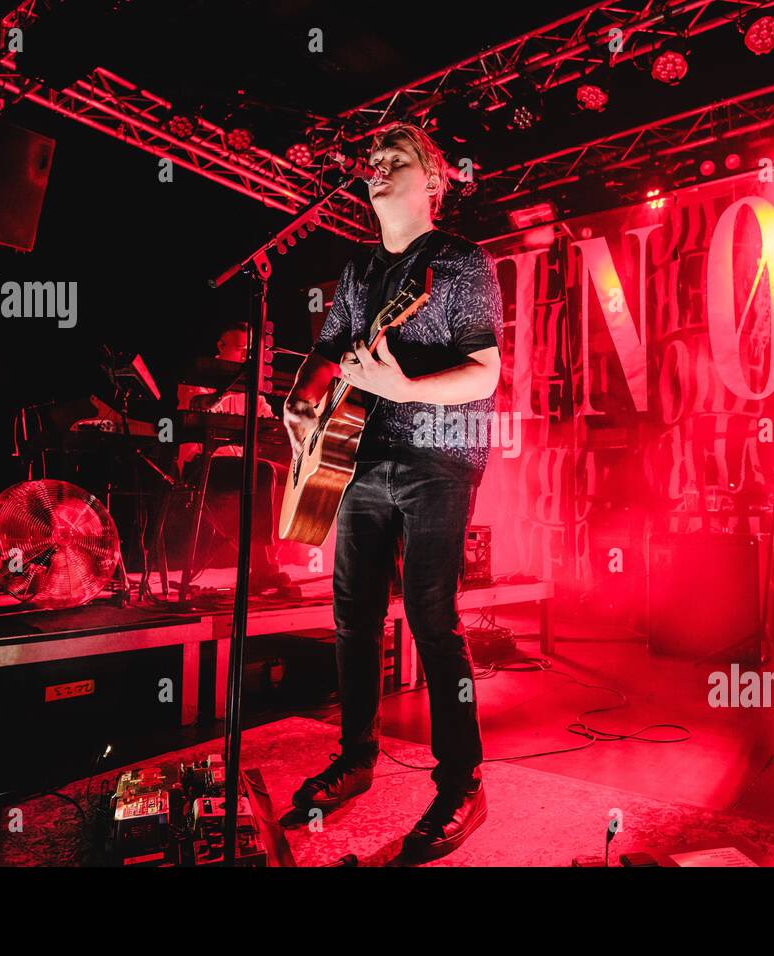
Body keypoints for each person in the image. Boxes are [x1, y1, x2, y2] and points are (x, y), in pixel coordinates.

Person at [282, 123, 503, 862]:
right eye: (372, 161)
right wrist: (302, 398)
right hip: (358, 460)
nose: (376, 168)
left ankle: (463, 780)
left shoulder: (459, 262)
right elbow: (326, 351)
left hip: (440, 457)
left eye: (395, 160)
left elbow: (486, 372)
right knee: (353, 616)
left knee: (432, 617)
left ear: (433, 180)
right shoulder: (358, 272)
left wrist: (406, 387)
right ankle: (356, 758)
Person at [177, 322, 286, 590]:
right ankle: (262, 566)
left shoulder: (253, 389)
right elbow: (195, 411)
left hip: (238, 465)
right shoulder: (197, 378)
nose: (245, 357)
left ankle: (270, 555)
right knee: (260, 472)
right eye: (240, 350)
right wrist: (222, 393)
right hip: (203, 463)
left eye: (249, 351)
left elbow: (270, 421)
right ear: (221, 347)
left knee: (292, 475)